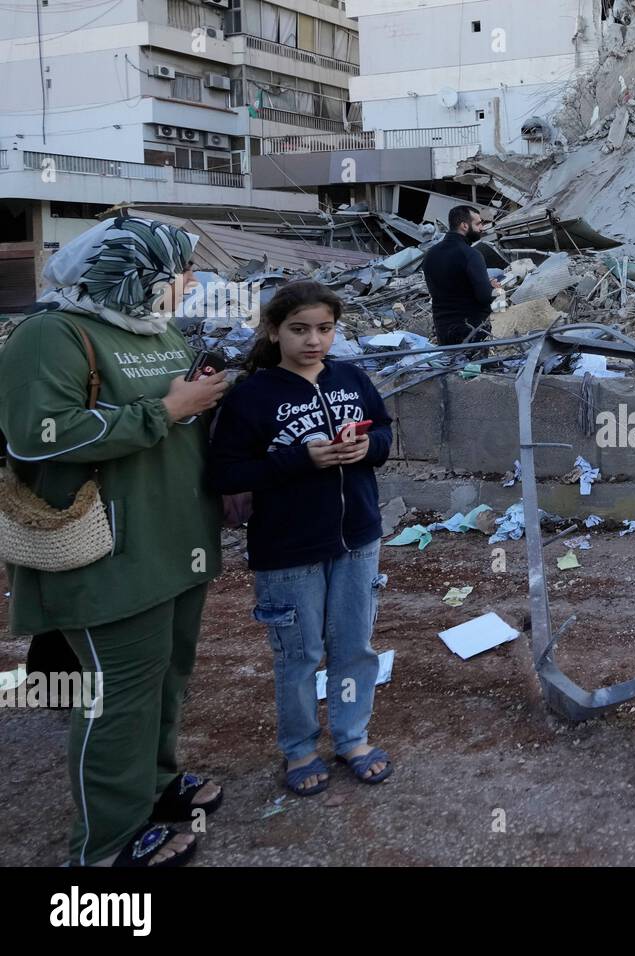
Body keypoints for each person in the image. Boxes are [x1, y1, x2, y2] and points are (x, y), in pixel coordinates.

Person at [0, 215, 228, 867]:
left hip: (176, 541)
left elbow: (178, 407)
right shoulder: (50, 336)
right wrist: (168, 411)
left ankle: (152, 786)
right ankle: (104, 845)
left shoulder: (155, 329)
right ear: (130, 273)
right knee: (118, 690)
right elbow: (37, 434)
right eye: (175, 271)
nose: (187, 283)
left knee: (165, 676)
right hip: (107, 551)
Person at [208, 280, 395, 797]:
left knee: (355, 646)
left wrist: (368, 448)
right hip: (287, 550)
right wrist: (300, 459)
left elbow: (383, 432)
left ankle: (353, 739)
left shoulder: (352, 378)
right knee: (299, 654)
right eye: (299, 329)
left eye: (324, 329)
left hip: (357, 537)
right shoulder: (252, 396)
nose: (314, 340)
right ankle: (300, 750)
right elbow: (225, 473)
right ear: (274, 331)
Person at [422, 205, 499, 354]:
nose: (481, 228)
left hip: (443, 332)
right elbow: (484, 297)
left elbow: (449, 287)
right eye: (477, 224)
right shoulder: (471, 255)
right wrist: (494, 289)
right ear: (464, 226)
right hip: (471, 333)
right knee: (475, 375)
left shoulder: (430, 254)